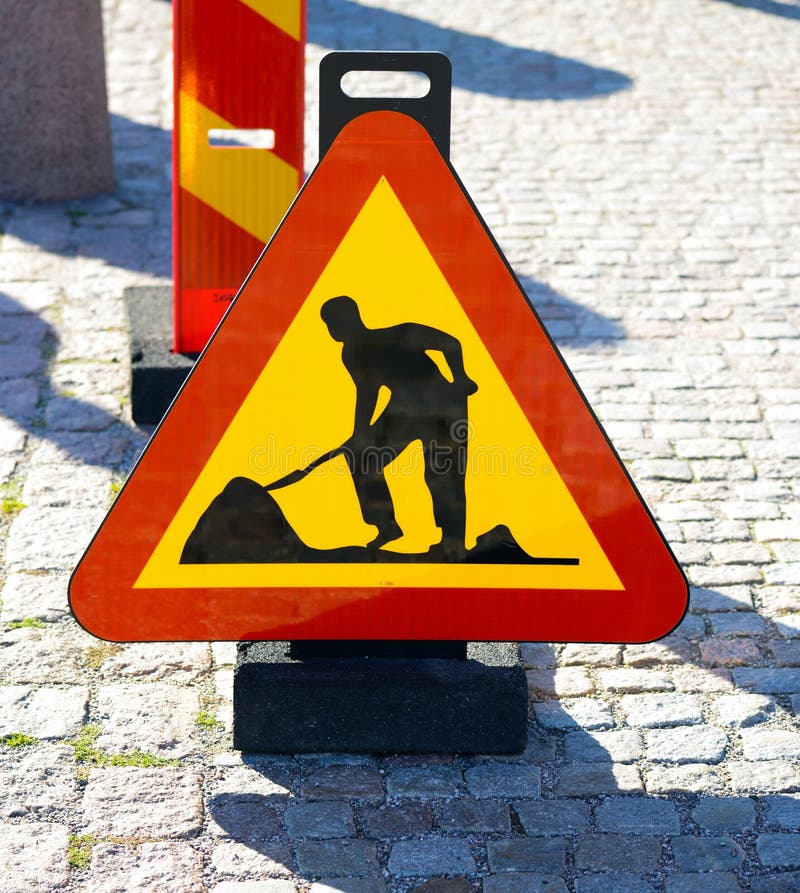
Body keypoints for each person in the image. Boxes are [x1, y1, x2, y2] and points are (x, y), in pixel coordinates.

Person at [320, 295, 478, 556]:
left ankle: (452, 543)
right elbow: (367, 394)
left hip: (440, 406)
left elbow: (451, 343)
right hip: (403, 410)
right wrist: (360, 433)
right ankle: (386, 525)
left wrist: (460, 378)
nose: (332, 329)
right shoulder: (351, 354)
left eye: (334, 322)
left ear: (352, 318)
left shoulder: (399, 335)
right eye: (328, 324)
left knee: (442, 472)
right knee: (362, 458)